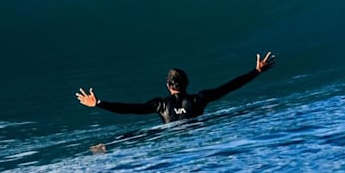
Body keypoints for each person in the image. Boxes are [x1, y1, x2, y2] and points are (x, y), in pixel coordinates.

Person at [76, 53, 276, 124]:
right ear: (187, 83)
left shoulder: (160, 105)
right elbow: (230, 87)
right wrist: (256, 71)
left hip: (171, 143)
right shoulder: (200, 99)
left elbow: (130, 109)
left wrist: (99, 103)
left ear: (167, 86)